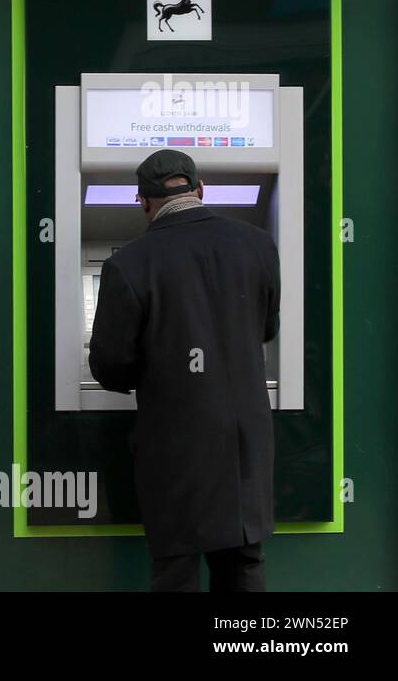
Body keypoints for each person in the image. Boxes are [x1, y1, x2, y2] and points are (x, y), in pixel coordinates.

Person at [89, 149, 280, 592]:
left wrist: (162, 366)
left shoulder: (130, 262)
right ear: (199, 190)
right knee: (244, 560)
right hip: (245, 438)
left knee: (177, 567)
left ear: (143, 202)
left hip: (176, 440)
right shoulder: (258, 245)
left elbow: (110, 366)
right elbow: (266, 328)